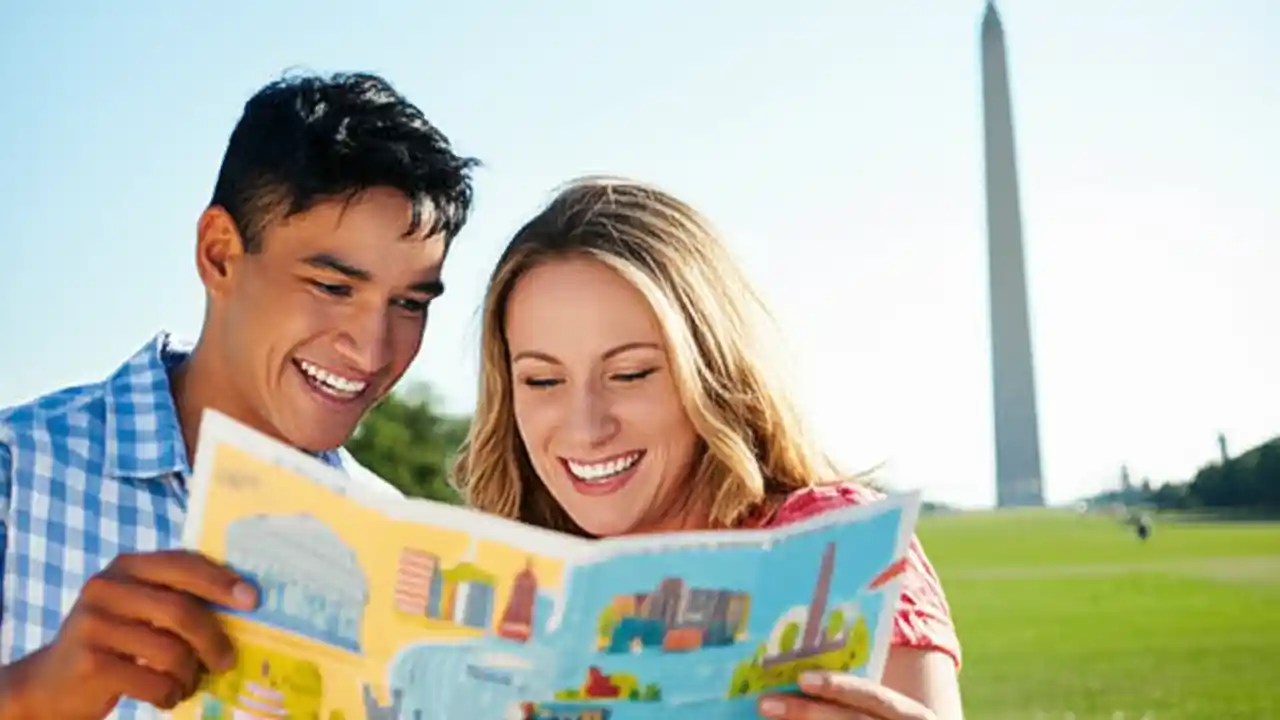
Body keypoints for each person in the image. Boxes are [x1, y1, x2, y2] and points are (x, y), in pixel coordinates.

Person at [0, 71, 478, 719]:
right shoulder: (17, 468)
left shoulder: (394, 540)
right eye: (333, 288)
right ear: (220, 253)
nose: (371, 351)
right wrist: (30, 697)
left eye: (408, 303)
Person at [454, 177, 965, 720]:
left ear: (713, 372)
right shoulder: (508, 578)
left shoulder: (830, 546)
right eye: (542, 381)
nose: (585, 427)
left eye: (630, 374)